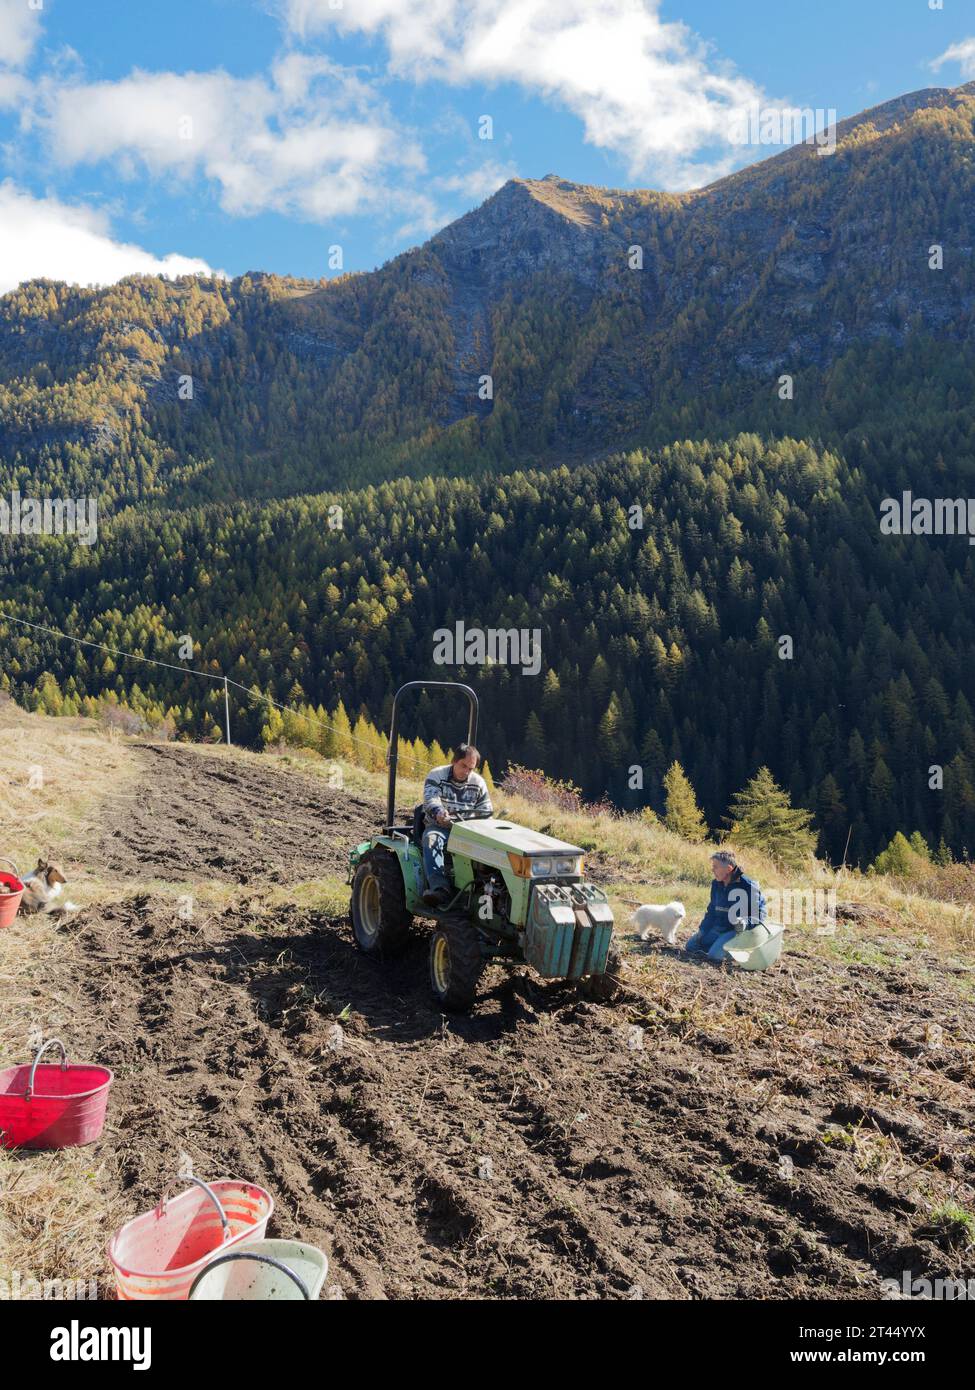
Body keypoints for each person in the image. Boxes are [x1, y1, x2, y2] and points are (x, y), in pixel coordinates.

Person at [421, 744, 493, 907]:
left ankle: (482, 893)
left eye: (471, 768)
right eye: (463, 766)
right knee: (432, 839)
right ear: (454, 761)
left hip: (467, 831)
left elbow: (486, 810)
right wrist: (439, 813)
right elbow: (430, 800)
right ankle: (440, 889)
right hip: (441, 827)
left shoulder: (479, 783)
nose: (466, 771)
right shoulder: (437, 775)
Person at [685, 849, 766, 962]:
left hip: (736, 932)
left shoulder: (749, 886)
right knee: (690, 947)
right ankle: (719, 944)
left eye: (715, 866)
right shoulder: (716, 884)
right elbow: (712, 910)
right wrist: (703, 930)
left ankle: (741, 950)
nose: (712, 869)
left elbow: (759, 915)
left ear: (728, 869)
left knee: (715, 956)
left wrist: (744, 922)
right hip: (719, 928)